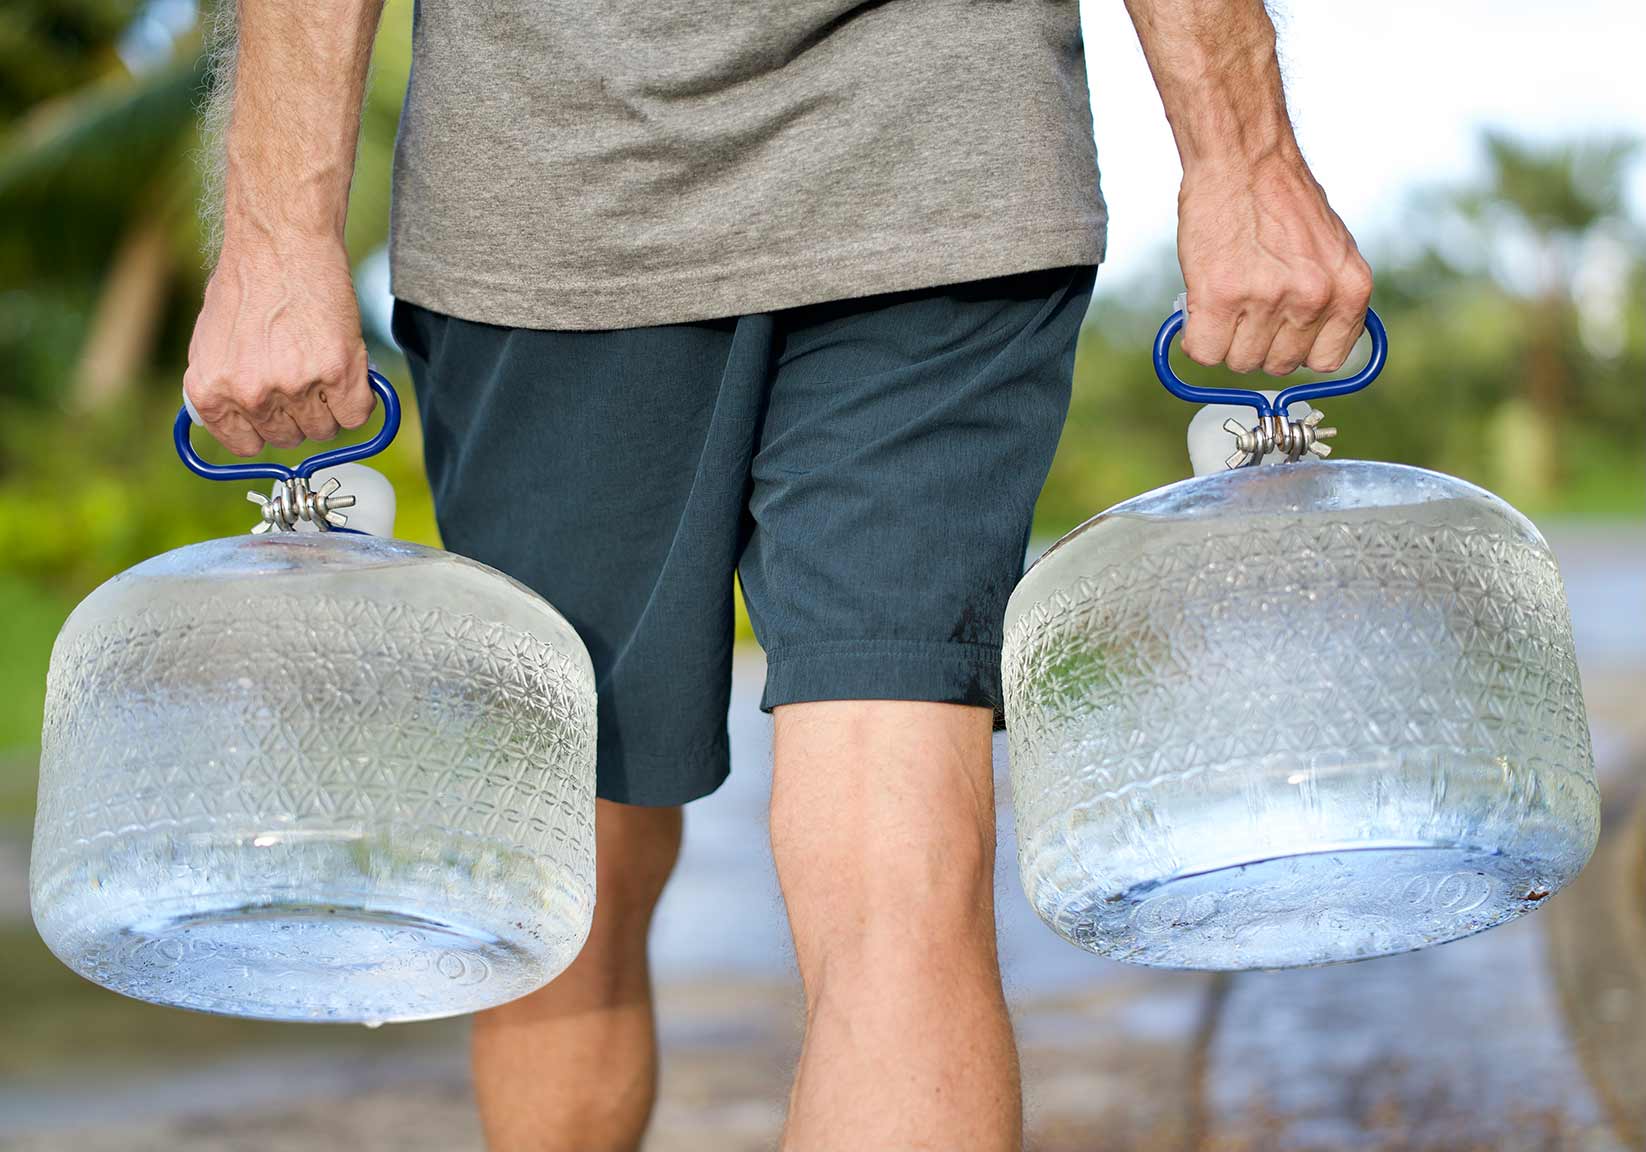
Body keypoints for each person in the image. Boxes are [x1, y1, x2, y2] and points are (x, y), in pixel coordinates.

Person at [184, 0, 1372, 1147]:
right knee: (579, 846)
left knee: (892, 864)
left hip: (930, 161)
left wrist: (1243, 153)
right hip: (557, 209)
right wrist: (275, 237)